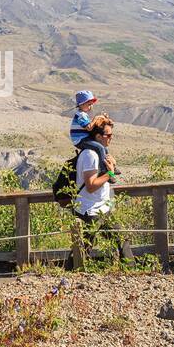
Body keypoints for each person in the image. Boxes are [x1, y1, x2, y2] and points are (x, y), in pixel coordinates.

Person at [72, 116, 126, 259]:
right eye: (108, 135)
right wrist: (109, 174)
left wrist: (112, 166)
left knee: (121, 242)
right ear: (97, 136)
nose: (111, 138)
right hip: (91, 210)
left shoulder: (99, 154)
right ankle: (71, 273)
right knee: (83, 251)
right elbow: (90, 186)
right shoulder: (91, 155)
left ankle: (131, 269)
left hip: (102, 208)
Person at [70, 90, 118, 177]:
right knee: (99, 147)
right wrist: (96, 118)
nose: (91, 107)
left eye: (91, 104)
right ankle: (104, 170)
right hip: (80, 140)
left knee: (104, 148)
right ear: (81, 104)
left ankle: (111, 165)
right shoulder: (80, 115)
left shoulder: (84, 115)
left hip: (85, 138)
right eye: (89, 104)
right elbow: (89, 128)